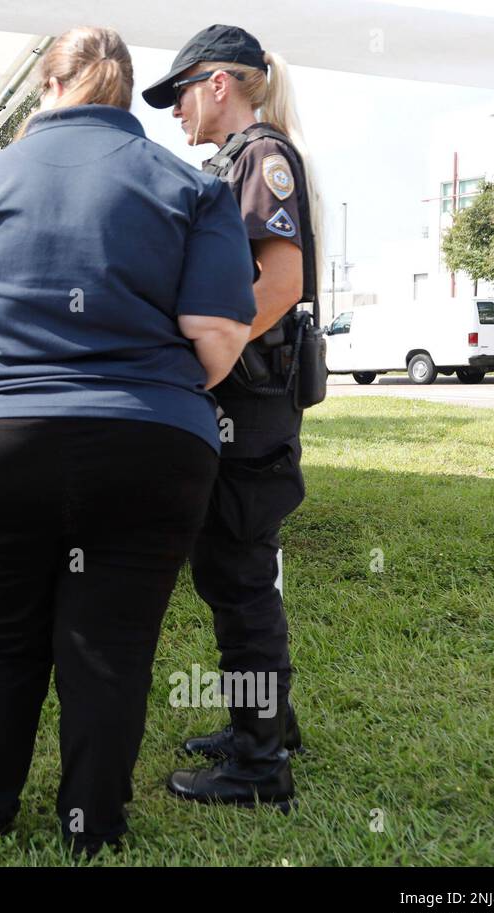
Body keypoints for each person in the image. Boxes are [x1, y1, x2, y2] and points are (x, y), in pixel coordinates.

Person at [0, 26, 257, 855]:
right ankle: (94, 828)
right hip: (148, 443)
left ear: (47, 89)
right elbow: (217, 338)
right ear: (123, 93)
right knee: (109, 644)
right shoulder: (188, 184)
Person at [142, 24, 320, 809]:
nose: (176, 110)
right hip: (246, 401)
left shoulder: (261, 157)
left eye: (181, 91)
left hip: (249, 402)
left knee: (239, 574)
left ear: (220, 82)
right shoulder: (238, 157)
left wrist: (204, 360)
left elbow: (279, 284)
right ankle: (266, 726)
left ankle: (258, 767)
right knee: (235, 572)